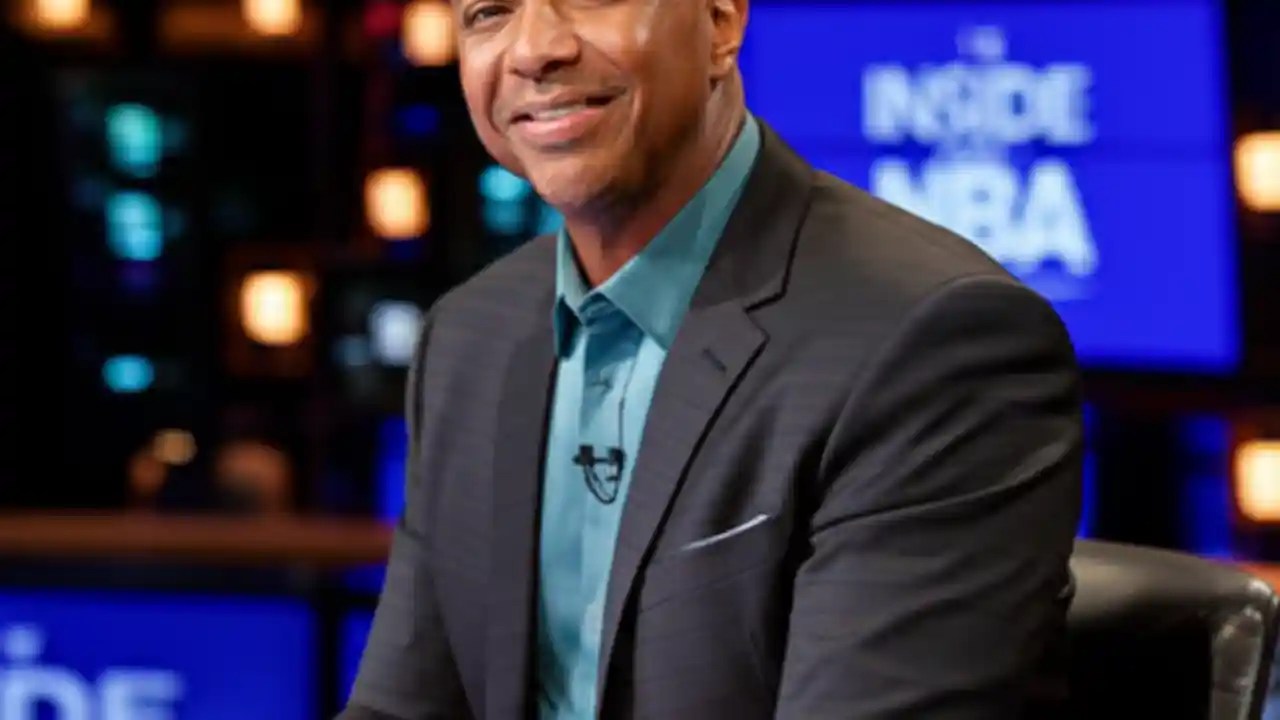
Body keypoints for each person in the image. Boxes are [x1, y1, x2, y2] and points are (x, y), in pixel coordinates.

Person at [341, 0, 1082, 718]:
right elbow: (399, 706)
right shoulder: (470, 336)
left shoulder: (937, 344)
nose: (535, 48)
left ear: (721, 21)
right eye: (488, 13)